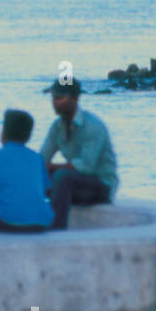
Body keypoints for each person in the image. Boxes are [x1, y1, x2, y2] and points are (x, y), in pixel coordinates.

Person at [39, 77, 119, 230]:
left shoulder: (93, 126)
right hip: (76, 183)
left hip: (101, 186)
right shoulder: (57, 127)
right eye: (54, 98)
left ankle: (56, 229)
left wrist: (52, 166)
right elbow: (42, 158)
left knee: (61, 177)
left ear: (75, 99)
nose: (55, 102)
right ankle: (22, 221)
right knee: (36, 176)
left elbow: (86, 166)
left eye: (60, 98)